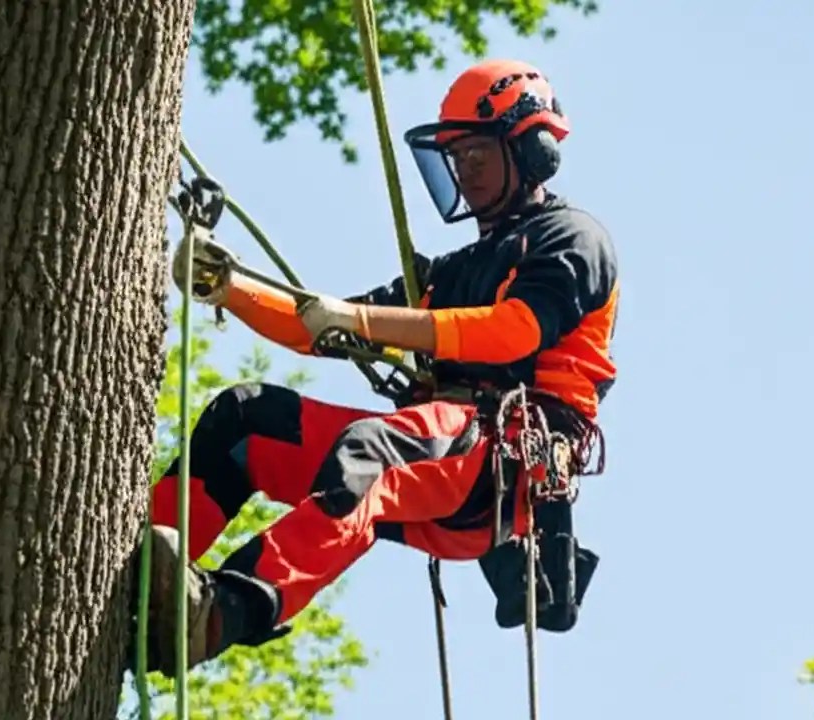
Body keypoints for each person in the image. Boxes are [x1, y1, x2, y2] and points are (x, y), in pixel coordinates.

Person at [138, 58, 620, 677]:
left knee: (371, 452)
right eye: (457, 158)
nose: (464, 172)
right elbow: (317, 325)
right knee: (246, 420)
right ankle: (137, 575)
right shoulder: (446, 276)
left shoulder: (571, 237)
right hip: (442, 450)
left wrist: (359, 322)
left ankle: (221, 613)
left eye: (477, 153)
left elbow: (512, 333)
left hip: (503, 458)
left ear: (533, 152)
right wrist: (227, 287)